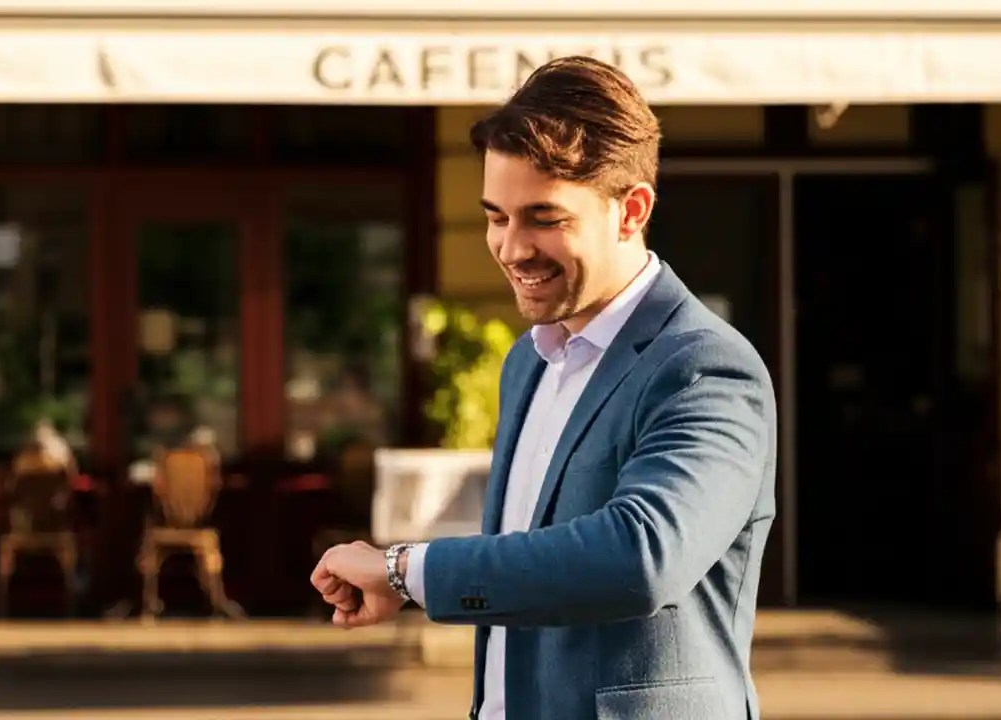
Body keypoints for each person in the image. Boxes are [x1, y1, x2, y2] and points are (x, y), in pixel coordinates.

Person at [311, 55, 777, 720]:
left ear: (631, 210)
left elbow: (641, 557)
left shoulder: (705, 366)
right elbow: (531, 571)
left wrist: (406, 571)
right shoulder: (527, 361)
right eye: (496, 217)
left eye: (543, 218)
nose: (510, 248)